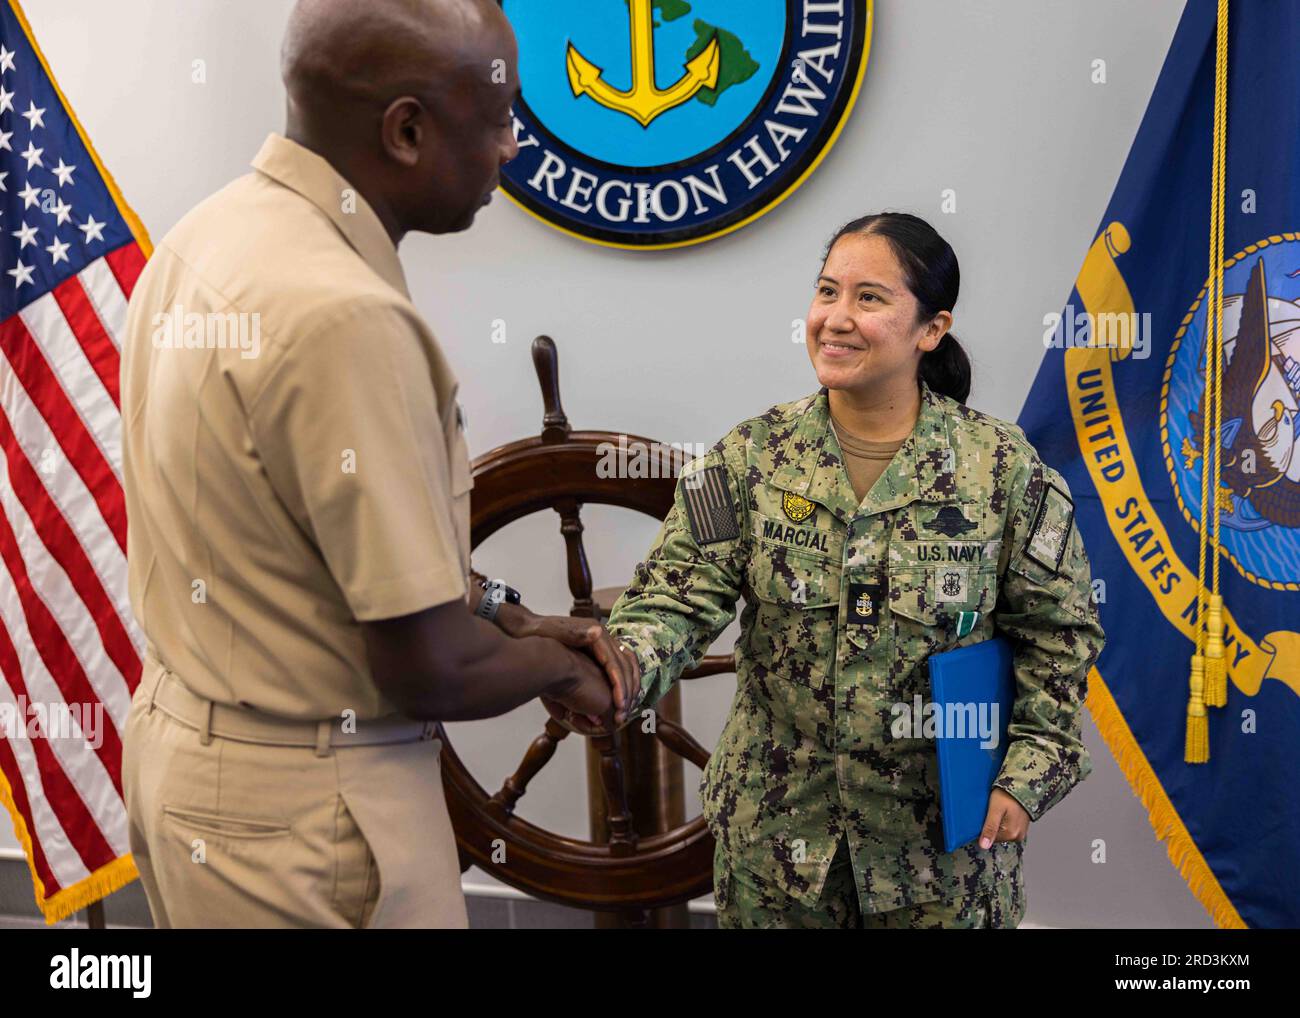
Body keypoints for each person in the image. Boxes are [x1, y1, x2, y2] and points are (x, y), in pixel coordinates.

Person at [119, 0, 637, 929]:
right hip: (310, 817)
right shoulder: (346, 317)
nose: (513, 147)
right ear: (407, 130)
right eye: (501, 116)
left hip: (193, 764)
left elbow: (302, 535)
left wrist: (502, 612)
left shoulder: (207, 237)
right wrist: (556, 671)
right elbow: (429, 669)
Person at [602, 212, 1105, 929]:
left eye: (869, 298)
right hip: (777, 857)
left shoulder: (1000, 471)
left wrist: (1029, 777)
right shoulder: (752, 458)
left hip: (939, 862)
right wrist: (615, 670)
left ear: (930, 330)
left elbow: (1060, 637)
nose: (835, 319)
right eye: (827, 291)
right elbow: (674, 602)